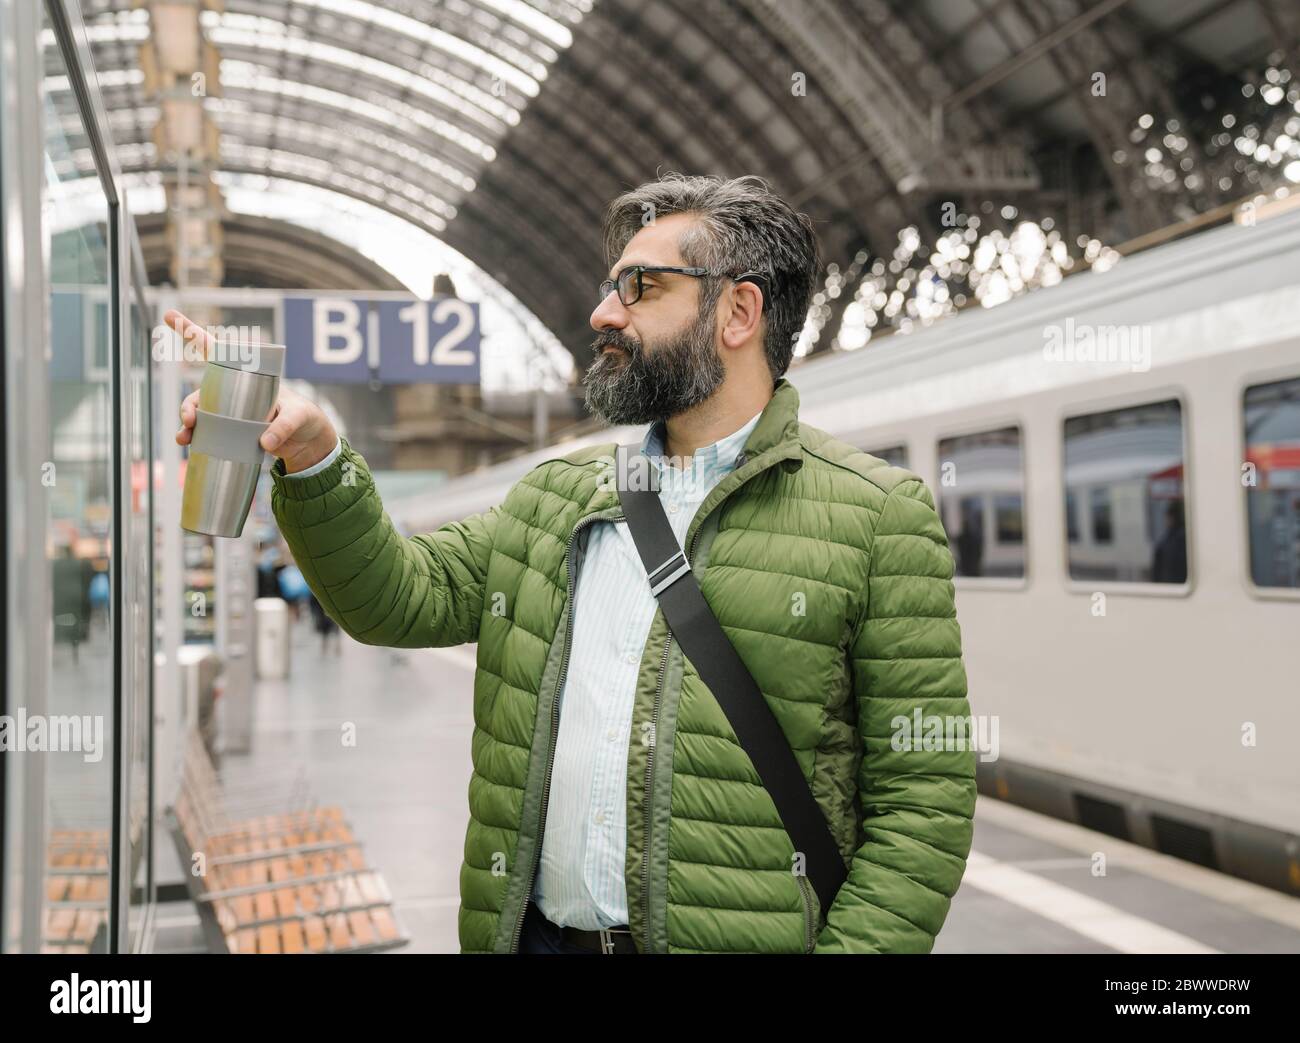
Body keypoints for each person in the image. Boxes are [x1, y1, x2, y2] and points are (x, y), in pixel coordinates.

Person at [172, 172, 976, 954]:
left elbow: (924, 806)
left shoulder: (877, 518)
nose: (602, 313)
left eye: (640, 288)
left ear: (738, 311)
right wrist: (315, 457)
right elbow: (396, 598)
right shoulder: (556, 499)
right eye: (609, 286)